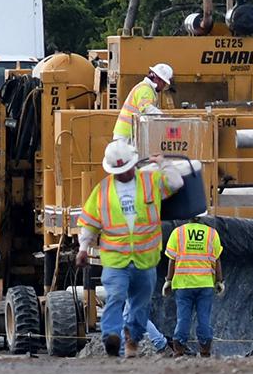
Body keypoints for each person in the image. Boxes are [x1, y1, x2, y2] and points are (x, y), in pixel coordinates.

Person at [76, 139, 183, 357]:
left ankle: (132, 339)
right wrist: (83, 248)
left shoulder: (150, 181)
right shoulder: (103, 190)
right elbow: (89, 222)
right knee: (115, 296)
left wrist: (163, 163)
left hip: (145, 258)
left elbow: (176, 182)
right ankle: (111, 337)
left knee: (140, 305)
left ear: (134, 164)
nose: (123, 174)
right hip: (115, 258)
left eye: (125, 169)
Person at [163, 218, 223, 357]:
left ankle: (179, 349)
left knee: (183, 318)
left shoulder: (178, 232)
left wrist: (169, 280)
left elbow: (172, 260)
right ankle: (205, 350)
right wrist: (219, 281)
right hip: (205, 284)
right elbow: (217, 260)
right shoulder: (212, 233)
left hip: (184, 284)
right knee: (204, 318)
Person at [114, 63, 174, 142]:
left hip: (128, 134)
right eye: (164, 83)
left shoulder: (147, 89)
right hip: (126, 136)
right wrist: (166, 120)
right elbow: (147, 109)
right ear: (158, 79)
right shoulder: (145, 89)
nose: (163, 86)